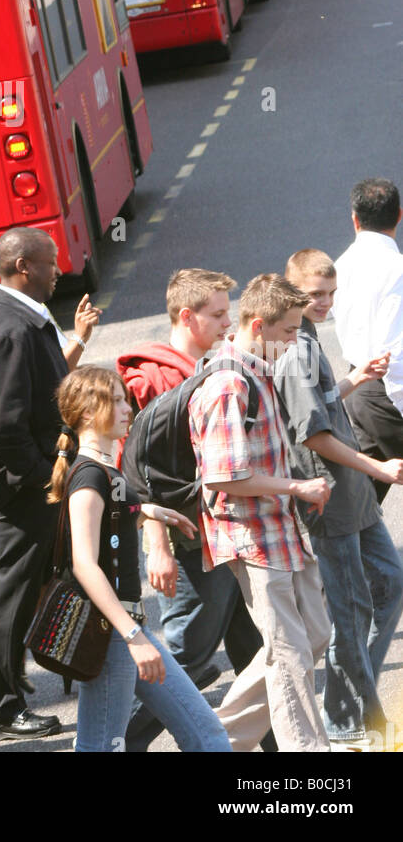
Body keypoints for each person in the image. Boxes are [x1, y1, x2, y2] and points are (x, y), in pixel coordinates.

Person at [116, 269, 265, 753]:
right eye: (219, 313)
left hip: (221, 535)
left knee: (257, 650)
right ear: (186, 316)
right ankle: (116, 740)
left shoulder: (204, 366)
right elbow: (136, 474)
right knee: (184, 657)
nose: (229, 322)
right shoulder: (155, 382)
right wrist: (155, 543)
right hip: (189, 542)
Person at [51, 365, 232, 753]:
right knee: (102, 747)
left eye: (124, 400)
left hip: (129, 627)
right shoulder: (87, 477)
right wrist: (132, 637)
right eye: (115, 401)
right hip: (116, 632)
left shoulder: (104, 470)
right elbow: (85, 564)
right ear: (86, 413)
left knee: (208, 736)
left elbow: (112, 515)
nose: (126, 409)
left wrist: (146, 510)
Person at [188, 273, 333, 752]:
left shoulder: (255, 369)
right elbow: (224, 477)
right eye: (290, 331)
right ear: (258, 325)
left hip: (278, 526)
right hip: (251, 534)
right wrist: (297, 486)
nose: (297, 341)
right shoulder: (229, 382)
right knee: (289, 653)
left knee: (309, 637)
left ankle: (216, 740)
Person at [0, 225, 100, 740]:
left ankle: (13, 695)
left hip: (39, 479)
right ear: (24, 266)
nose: (59, 270)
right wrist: (44, 478)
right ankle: (0, 709)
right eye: (49, 262)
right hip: (28, 487)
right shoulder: (9, 328)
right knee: (13, 594)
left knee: (24, 590)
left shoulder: (23, 318)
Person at [275, 248, 403, 749]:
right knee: (352, 610)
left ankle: (351, 704)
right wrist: (378, 468)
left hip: (350, 494)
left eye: (331, 293)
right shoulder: (294, 348)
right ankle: (349, 718)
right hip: (328, 494)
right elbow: (311, 435)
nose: (326, 303)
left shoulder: (305, 336)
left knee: (388, 585)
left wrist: (359, 377)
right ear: (293, 292)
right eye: (315, 295)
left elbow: (323, 406)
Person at [334, 178, 403, 502]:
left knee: (363, 497)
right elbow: (396, 349)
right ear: (399, 216)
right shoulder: (397, 268)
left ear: (355, 219)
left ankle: (346, 552)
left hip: (357, 389)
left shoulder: (342, 265)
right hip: (388, 391)